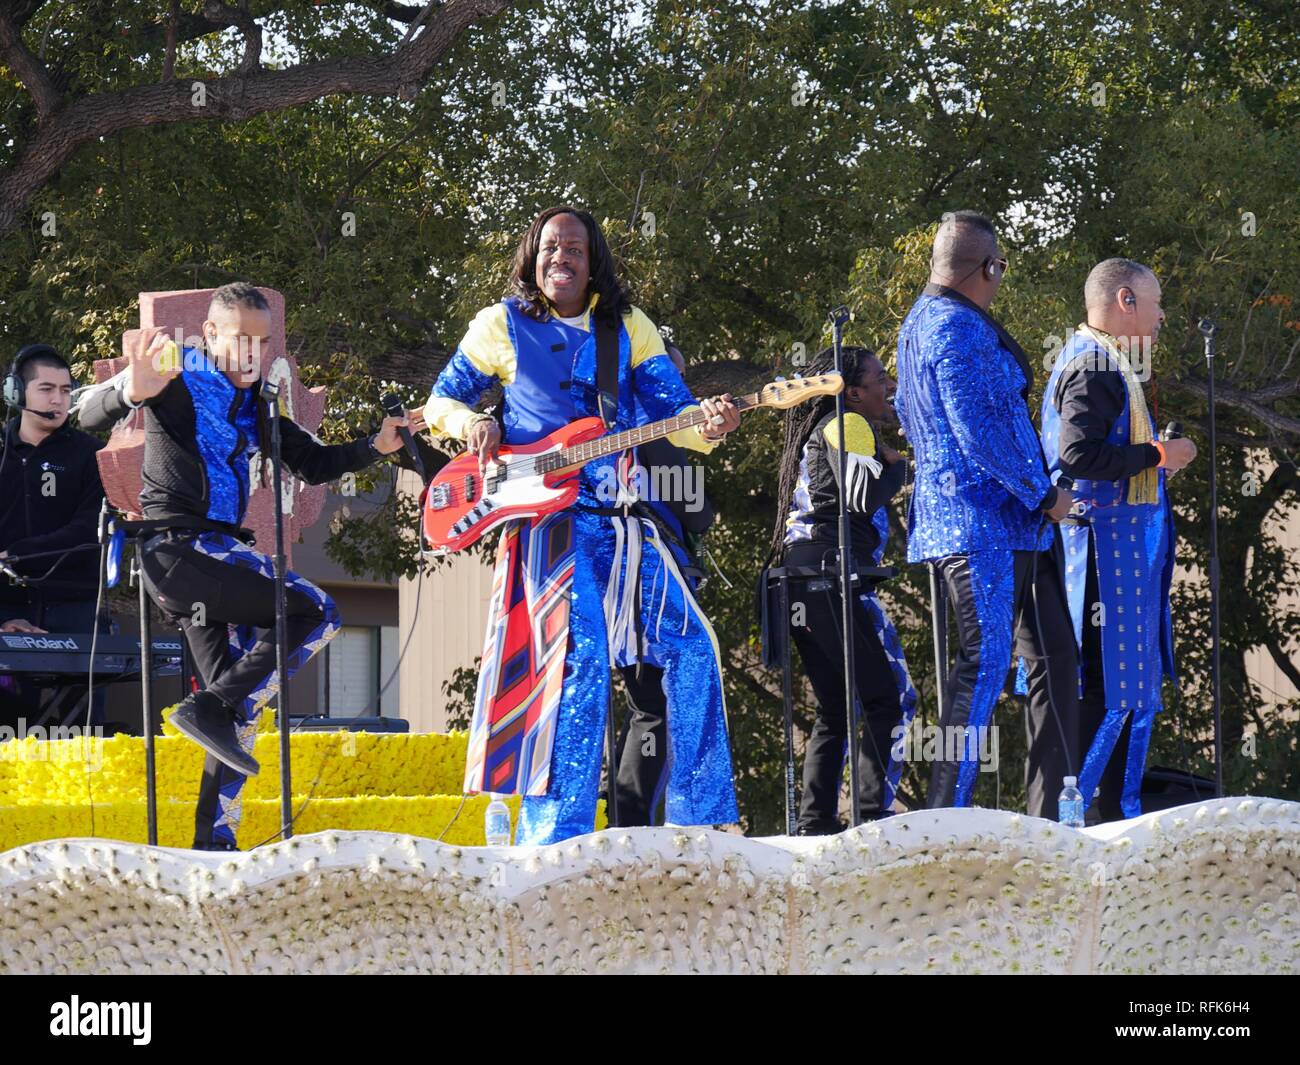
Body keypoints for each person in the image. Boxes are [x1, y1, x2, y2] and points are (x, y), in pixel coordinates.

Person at [424, 205, 739, 845]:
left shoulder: (626, 327)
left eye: (572, 247)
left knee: (693, 645)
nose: (558, 257)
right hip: (548, 526)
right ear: (530, 257)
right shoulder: (500, 324)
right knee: (580, 662)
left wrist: (710, 426)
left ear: (593, 259)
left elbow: (677, 414)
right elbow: (440, 401)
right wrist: (471, 424)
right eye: (547, 247)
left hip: (623, 526)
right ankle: (554, 838)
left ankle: (700, 819)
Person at [77, 282, 419, 850]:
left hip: (210, 562)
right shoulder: (173, 369)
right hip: (180, 550)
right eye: (241, 340)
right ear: (210, 334)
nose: (253, 354)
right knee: (318, 610)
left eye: (263, 343)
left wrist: (375, 447)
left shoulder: (258, 402)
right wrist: (128, 395)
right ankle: (208, 706)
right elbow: (84, 410)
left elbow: (311, 462)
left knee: (236, 720)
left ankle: (213, 844)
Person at [894, 210, 1081, 819]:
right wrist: (1044, 494)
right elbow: (980, 432)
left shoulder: (919, 323)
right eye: (1000, 269)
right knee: (984, 661)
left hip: (997, 525)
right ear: (987, 268)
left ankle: (1053, 807)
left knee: (1045, 658)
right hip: (982, 525)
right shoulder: (955, 328)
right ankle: (947, 814)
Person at [1041, 258, 1192, 821]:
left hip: (1112, 555)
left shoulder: (1097, 361)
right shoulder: (1095, 366)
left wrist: (1156, 463)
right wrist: (1159, 454)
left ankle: (1096, 817)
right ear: (1125, 300)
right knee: (1117, 692)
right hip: (1107, 558)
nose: (1161, 318)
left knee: (1115, 692)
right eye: (1155, 304)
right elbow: (1078, 456)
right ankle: (1100, 819)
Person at [768, 345, 916, 832]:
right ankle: (872, 816)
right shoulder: (848, 422)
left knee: (836, 706)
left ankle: (815, 823)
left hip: (799, 582)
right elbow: (860, 497)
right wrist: (897, 468)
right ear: (852, 392)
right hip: (827, 578)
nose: (888, 385)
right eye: (880, 378)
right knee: (887, 697)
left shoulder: (829, 427)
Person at [610, 342, 718, 827]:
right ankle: (631, 826)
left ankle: (626, 821)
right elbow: (698, 513)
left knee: (643, 703)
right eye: (671, 378)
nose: (679, 391)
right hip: (647, 577)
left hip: (629, 574)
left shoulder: (621, 424)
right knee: (654, 704)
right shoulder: (650, 428)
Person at [0, 345, 108, 722]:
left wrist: (17, 553)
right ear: (16, 393)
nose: (58, 399)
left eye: (65, 390)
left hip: (75, 608)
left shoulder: (92, 453)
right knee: (10, 727)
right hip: (7, 610)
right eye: (47, 389)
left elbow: (89, 530)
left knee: (82, 731)